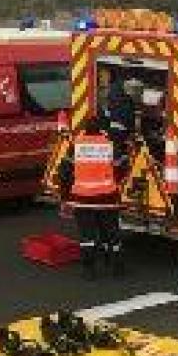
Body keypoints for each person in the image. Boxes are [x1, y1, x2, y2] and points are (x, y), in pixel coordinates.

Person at [58, 117, 124, 280]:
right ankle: (115, 265)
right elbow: (122, 167)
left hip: (82, 199)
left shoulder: (77, 146)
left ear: (85, 130)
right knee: (111, 233)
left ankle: (89, 270)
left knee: (87, 236)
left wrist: (65, 197)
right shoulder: (109, 145)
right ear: (101, 129)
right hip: (107, 199)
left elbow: (64, 172)